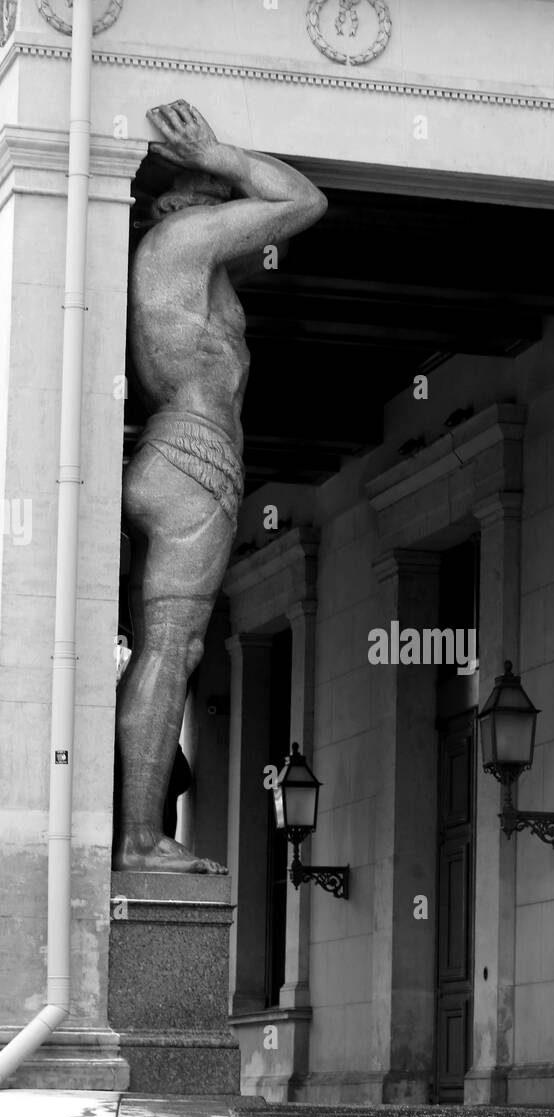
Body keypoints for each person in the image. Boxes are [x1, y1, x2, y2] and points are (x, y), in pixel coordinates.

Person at [113, 100, 327, 872]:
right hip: (194, 461)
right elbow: (301, 201)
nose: (238, 215)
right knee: (173, 647)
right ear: (189, 196)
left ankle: (136, 831)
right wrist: (225, 152)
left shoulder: (179, 263)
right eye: (220, 194)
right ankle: (140, 838)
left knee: (165, 647)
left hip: (177, 457)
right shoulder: (181, 238)